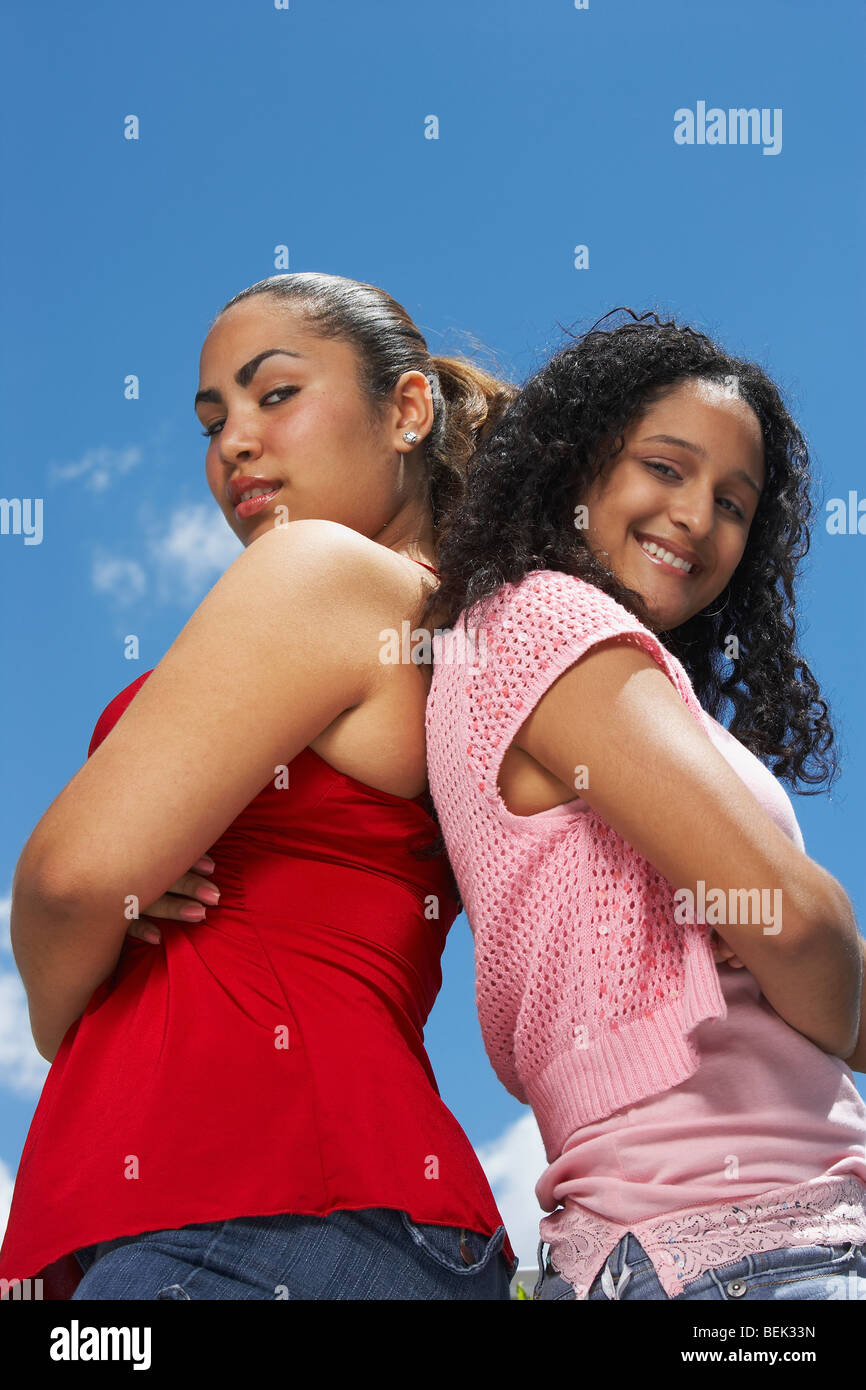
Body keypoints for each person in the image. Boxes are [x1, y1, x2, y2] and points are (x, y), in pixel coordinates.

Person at [0, 271, 520, 1301]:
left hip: (252, 1207)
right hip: (316, 1214)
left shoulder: (323, 571)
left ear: (408, 407)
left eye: (274, 393)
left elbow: (65, 885)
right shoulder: (447, 621)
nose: (232, 441)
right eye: (211, 419)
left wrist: (85, 971)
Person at [422, 308, 866, 1301]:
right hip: (743, 1246)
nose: (695, 516)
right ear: (576, 463)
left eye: (732, 503)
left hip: (715, 1246)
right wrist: (816, 920)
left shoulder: (588, 671)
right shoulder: (539, 617)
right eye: (663, 468)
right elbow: (789, 921)